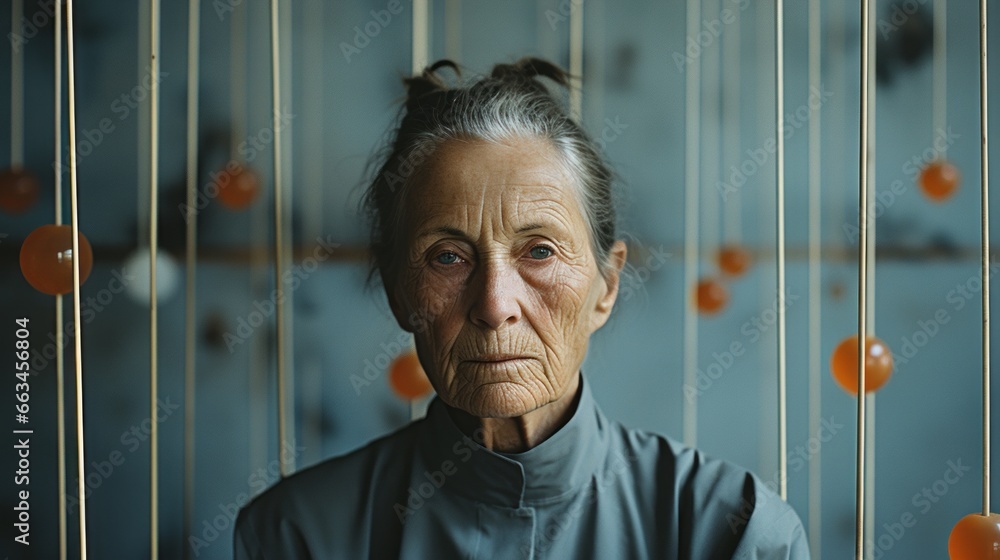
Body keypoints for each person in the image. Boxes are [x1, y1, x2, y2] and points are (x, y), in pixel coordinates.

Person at [234, 58, 810, 560]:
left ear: (606, 285)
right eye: (448, 257)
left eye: (539, 251)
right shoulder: (298, 535)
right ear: (398, 292)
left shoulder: (733, 532)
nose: (493, 305)